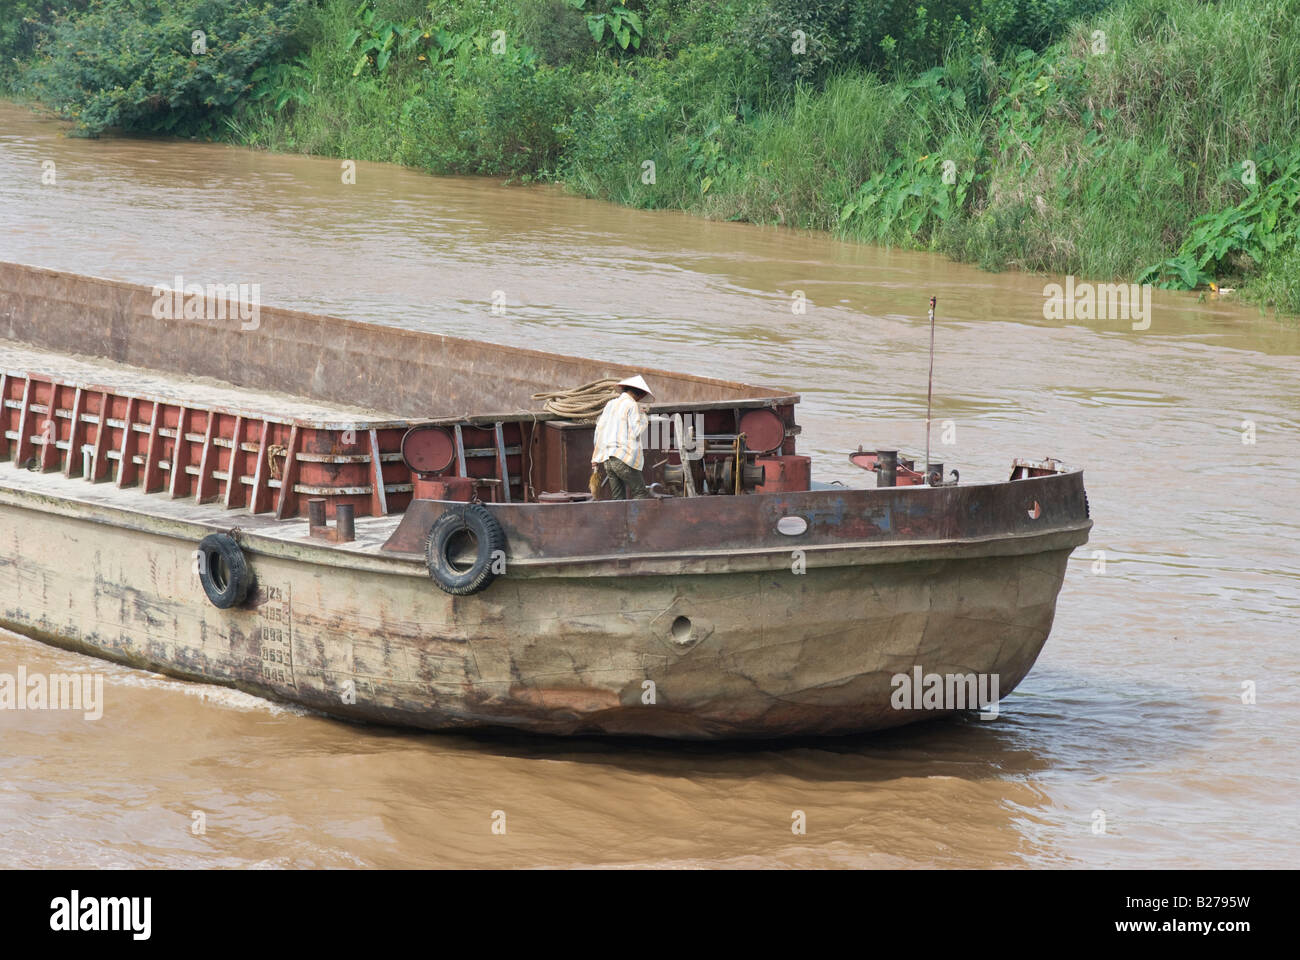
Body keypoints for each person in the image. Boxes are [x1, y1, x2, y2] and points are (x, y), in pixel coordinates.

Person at [591, 375, 654, 500]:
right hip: (622, 458)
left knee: (618, 498)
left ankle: (619, 520)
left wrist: (596, 457)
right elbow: (636, 431)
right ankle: (637, 520)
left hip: (608, 460)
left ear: (625, 389)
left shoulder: (610, 404)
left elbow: (599, 430)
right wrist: (643, 417)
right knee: (640, 492)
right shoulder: (632, 405)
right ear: (640, 395)